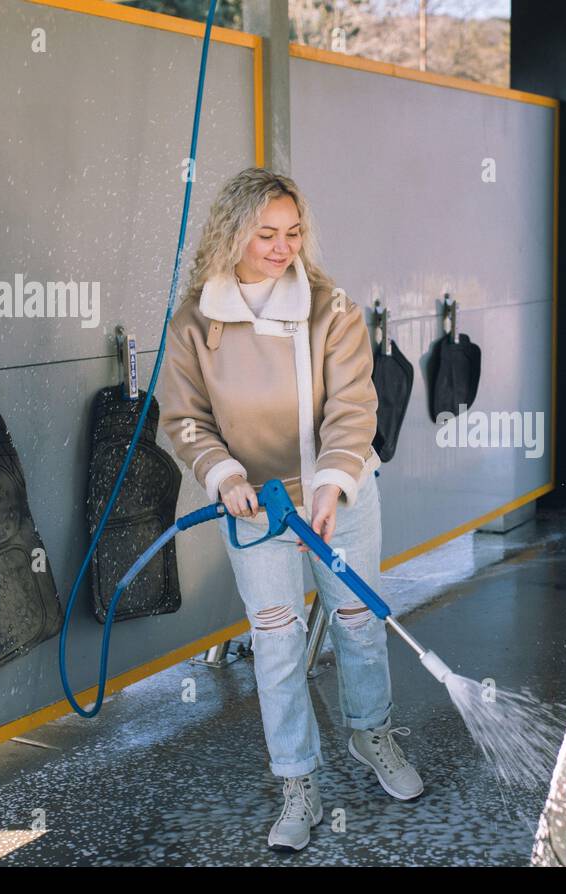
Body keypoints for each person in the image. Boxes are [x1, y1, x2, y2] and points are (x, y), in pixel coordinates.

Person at [158, 167, 423, 852]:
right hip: (255, 507)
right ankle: (298, 781)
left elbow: (353, 409)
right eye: (266, 234)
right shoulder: (195, 321)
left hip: (339, 494)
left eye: (293, 233)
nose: (283, 247)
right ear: (233, 235)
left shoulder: (330, 309)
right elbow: (184, 419)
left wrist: (331, 488)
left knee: (357, 623)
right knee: (276, 646)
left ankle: (371, 736)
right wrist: (222, 475)